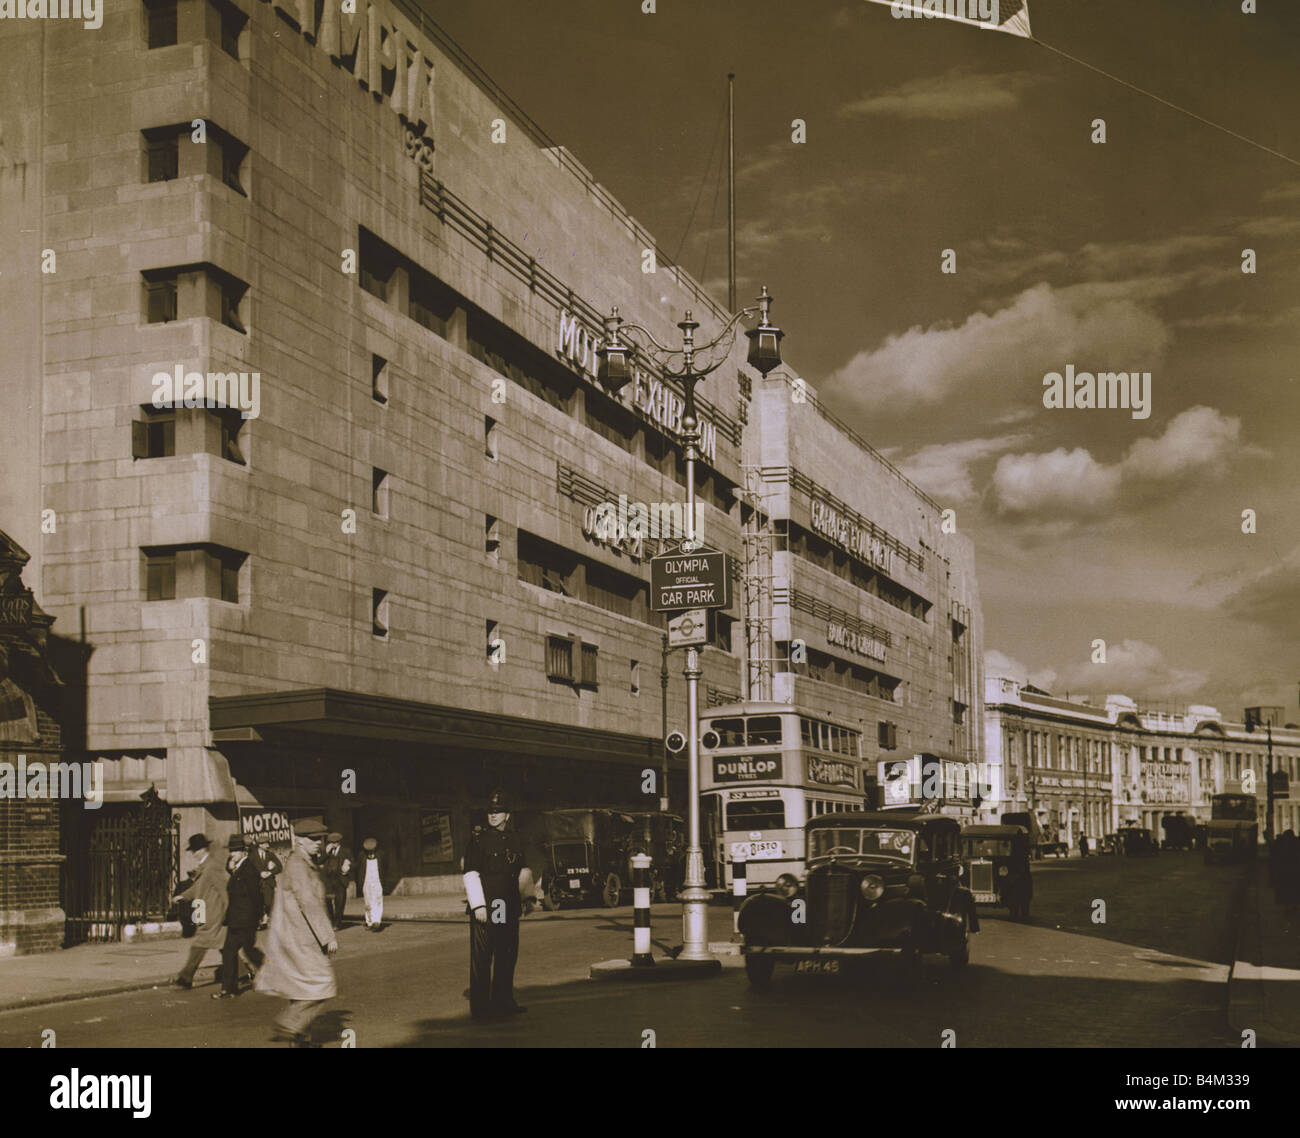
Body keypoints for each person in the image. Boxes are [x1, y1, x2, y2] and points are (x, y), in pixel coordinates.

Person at [255, 816, 337, 1047]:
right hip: (302, 937)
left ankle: (301, 1040)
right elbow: (308, 902)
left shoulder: (301, 862)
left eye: (320, 839)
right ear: (300, 840)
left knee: (302, 989)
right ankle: (290, 1024)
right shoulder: (299, 866)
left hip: (295, 936)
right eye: (313, 839)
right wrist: (328, 936)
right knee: (323, 985)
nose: (318, 843)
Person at [462, 789, 529, 1021]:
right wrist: (478, 906)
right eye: (490, 812)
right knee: (482, 957)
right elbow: (470, 873)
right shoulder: (478, 840)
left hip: (505, 905)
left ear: (507, 815)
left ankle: (503, 1001)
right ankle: (481, 1009)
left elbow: (522, 871)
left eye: (498, 811)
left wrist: (527, 898)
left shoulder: (515, 840)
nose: (493, 815)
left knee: (506, 953)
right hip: (486, 905)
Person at [173, 833, 229, 989]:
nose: (194, 854)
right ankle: (244, 973)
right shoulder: (205, 867)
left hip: (213, 913)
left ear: (203, 849)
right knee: (224, 946)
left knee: (200, 943)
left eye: (195, 850)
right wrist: (183, 896)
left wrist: (228, 912)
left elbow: (224, 890)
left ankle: (186, 976)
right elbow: (198, 888)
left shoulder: (212, 867)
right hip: (204, 910)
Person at [214, 834, 265, 999]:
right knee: (231, 952)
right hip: (237, 919)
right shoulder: (239, 867)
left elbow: (255, 895)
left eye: (236, 851)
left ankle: (273, 972)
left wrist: (259, 915)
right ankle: (229, 989)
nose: (232, 854)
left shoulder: (249, 869)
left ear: (244, 852)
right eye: (231, 851)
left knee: (245, 951)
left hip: (245, 918)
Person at [321, 833, 353, 930]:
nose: (333, 844)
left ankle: (337, 923)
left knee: (340, 902)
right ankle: (331, 920)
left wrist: (348, 866)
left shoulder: (346, 851)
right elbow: (319, 861)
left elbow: (353, 863)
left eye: (335, 842)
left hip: (340, 880)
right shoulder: (327, 852)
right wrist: (326, 853)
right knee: (327, 901)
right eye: (331, 842)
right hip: (329, 880)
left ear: (339, 842)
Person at [357, 838, 385, 930]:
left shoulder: (381, 855)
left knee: (378, 900)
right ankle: (369, 921)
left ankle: (377, 921)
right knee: (368, 902)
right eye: (368, 851)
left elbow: (385, 867)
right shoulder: (361, 856)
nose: (370, 853)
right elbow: (358, 868)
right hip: (366, 881)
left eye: (372, 851)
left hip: (377, 881)